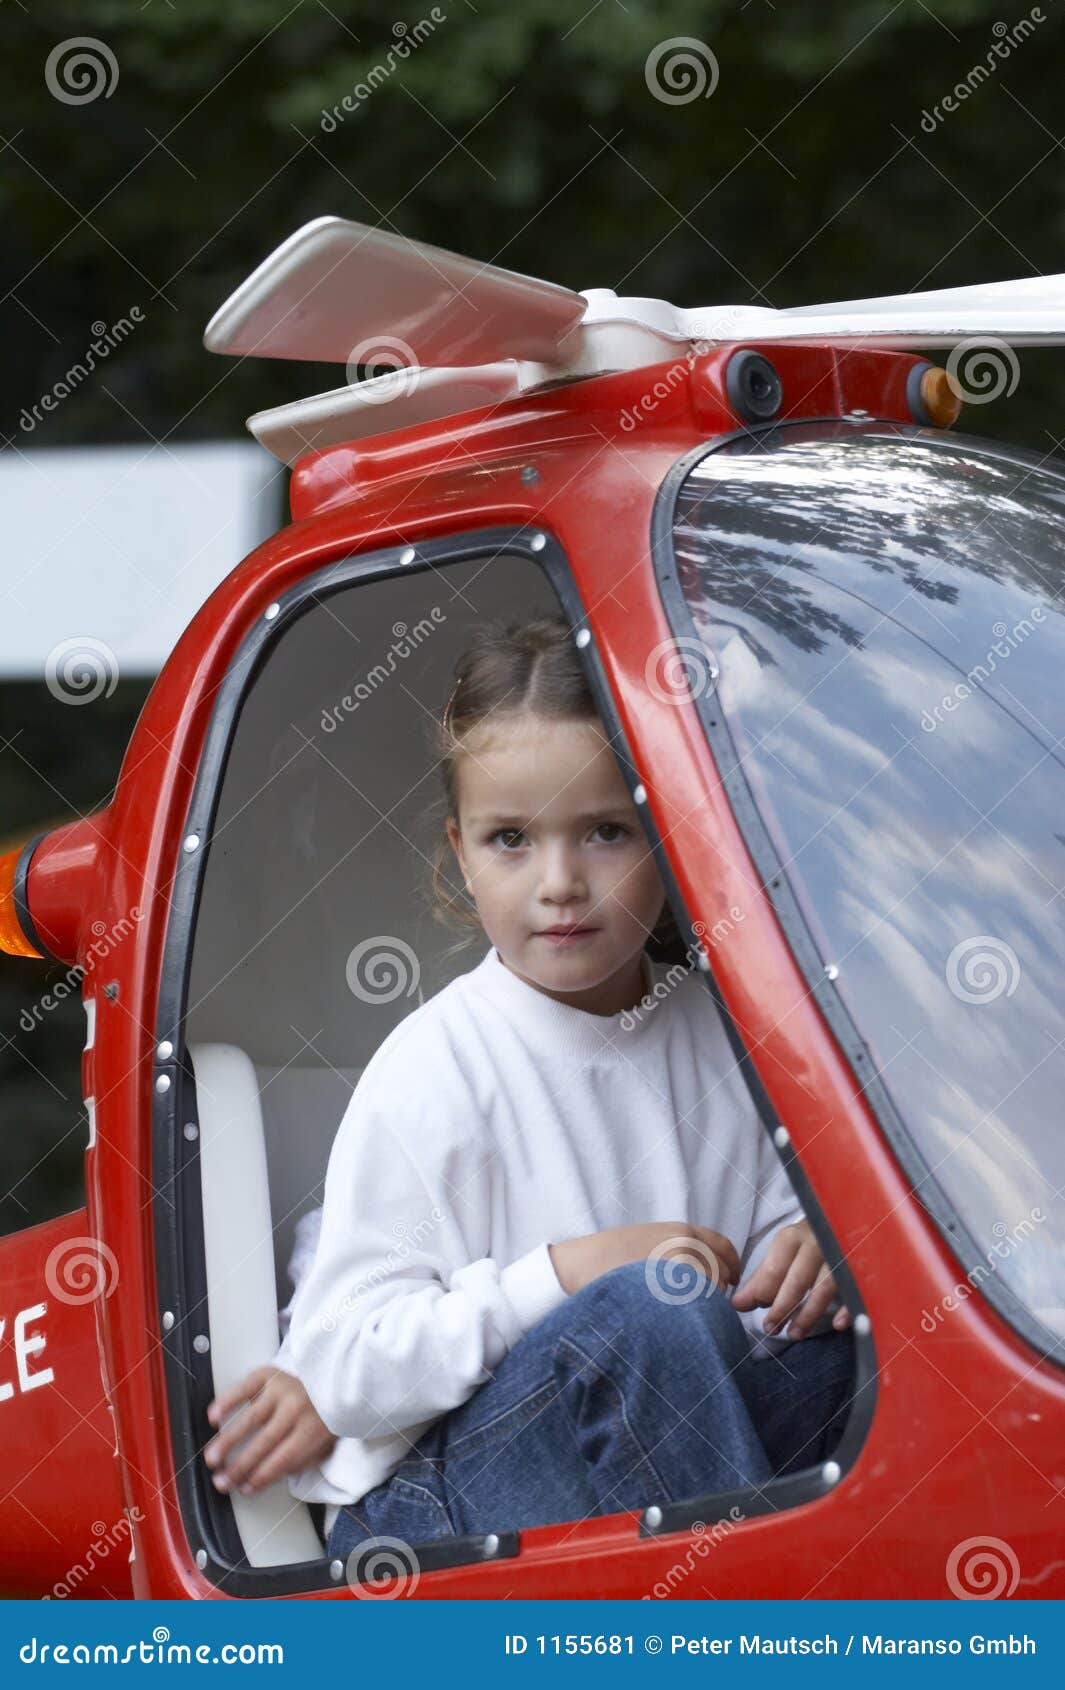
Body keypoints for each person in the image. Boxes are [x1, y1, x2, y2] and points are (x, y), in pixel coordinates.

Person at [203, 614, 856, 1559]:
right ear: (461, 854)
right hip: (432, 1512)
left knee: (872, 1333)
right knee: (645, 1307)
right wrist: (563, 1275)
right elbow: (341, 1366)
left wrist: (817, 1248)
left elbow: (758, 1277)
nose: (559, 882)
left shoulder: (727, 1028)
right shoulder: (437, 1067)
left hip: (660, 1440)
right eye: (511, 838)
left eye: (604, 831)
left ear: (669, 832)